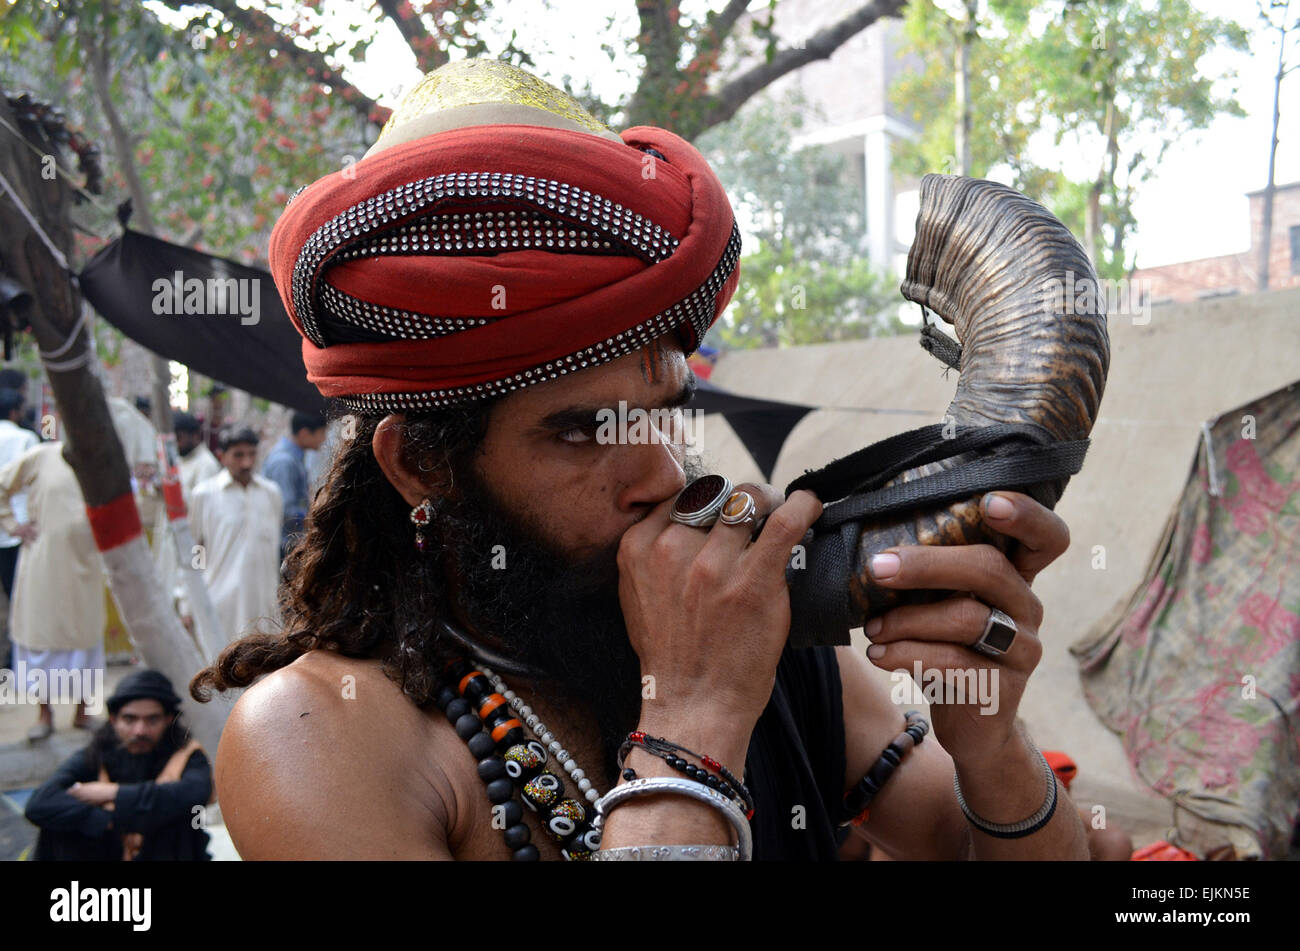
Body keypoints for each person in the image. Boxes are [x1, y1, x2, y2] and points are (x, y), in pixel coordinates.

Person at [193, 59, 1089, 861]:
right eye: (581, 431)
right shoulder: (318, 736)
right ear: (421, 466)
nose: (660, 474)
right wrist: (692, 725)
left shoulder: (761, 650)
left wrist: (989, 744)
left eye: (666, 413)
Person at [24, 669, 212, 861]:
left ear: (168, 719)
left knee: (176, 820)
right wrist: (108, 820)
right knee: (60, 823)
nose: (140, 731)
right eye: (129, 719)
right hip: (107, 855)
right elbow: (40, 803)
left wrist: (111, 794)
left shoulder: (187, 754)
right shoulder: (99, 752)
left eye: (152, 720)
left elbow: (194, 794)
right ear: (113, 720)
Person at [0, 441, 105, 741]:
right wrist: (13, 525)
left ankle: (83, 711)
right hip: (43, 563)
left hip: (86, 563)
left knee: (84, 636)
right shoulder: (41, 455)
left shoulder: (101, 457)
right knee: (40, 637)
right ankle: (44, 714)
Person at [188, 425, 282, 643]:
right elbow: (196, 548)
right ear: (222, 457)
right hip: (219, 602)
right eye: (238, 455)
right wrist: (189, 599)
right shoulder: (204, 494)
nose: (246, 462)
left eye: (251, 454)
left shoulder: (271, 493)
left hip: (263, 603)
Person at [0, 388, 38, 669]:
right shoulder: (25, 439)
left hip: (13, 528)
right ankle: (16, 660)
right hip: (20, 531)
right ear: (15, 412)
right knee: (20, 599)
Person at [261, 411, 327, 557]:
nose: (323, 440)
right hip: (282, 545)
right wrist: (314, 516)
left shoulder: (295, 457)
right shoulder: (285, 462)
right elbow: (286, 511)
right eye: (321, 433)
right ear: (304, 434)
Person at [173, 411, 220, 504]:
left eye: (179, 438)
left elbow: (200, 505)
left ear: (195, 436)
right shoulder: (178, 458)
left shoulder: (207, 464)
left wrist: (169, 490)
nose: (176, 444)